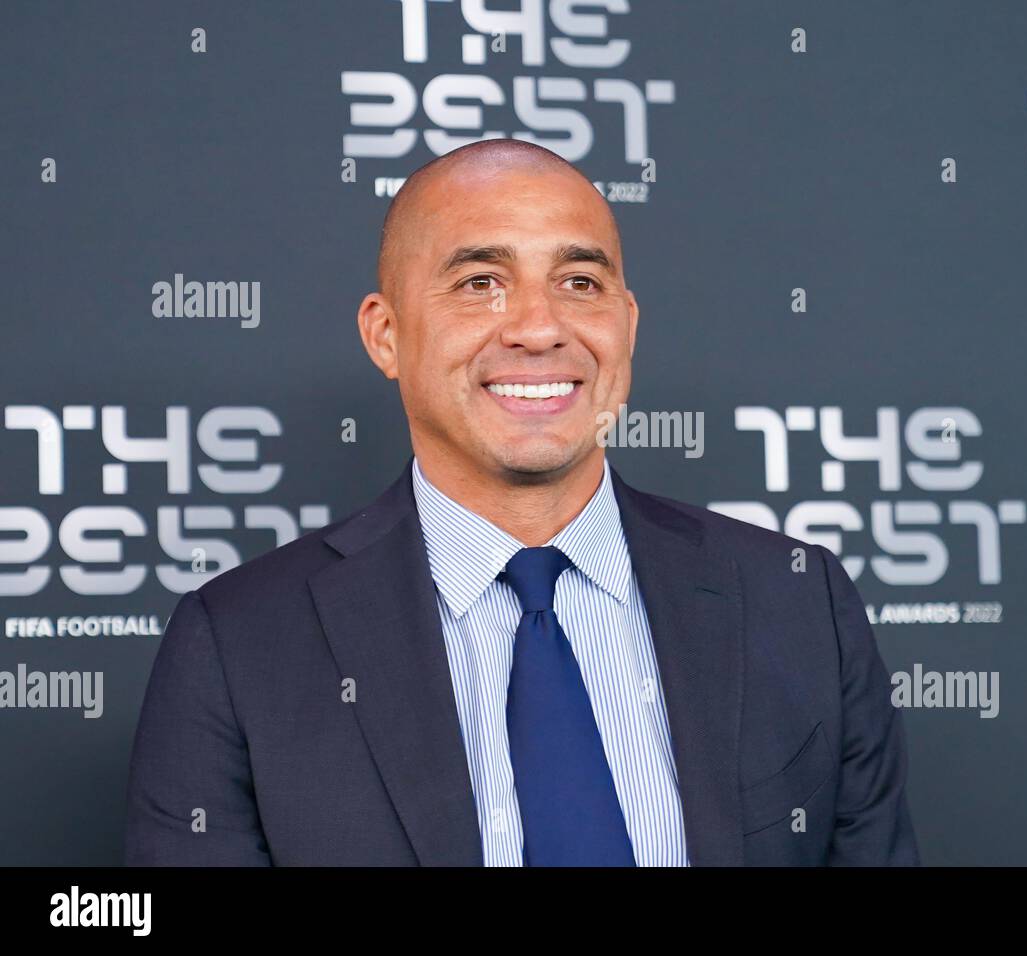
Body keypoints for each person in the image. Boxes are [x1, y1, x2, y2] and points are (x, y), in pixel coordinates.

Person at [124, 139, 920, 866]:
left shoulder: (795, 600)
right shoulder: (238, 645)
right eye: (481, 283)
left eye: (580, 282)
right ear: (386, 335)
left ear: (628, 324)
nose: (540, 328)